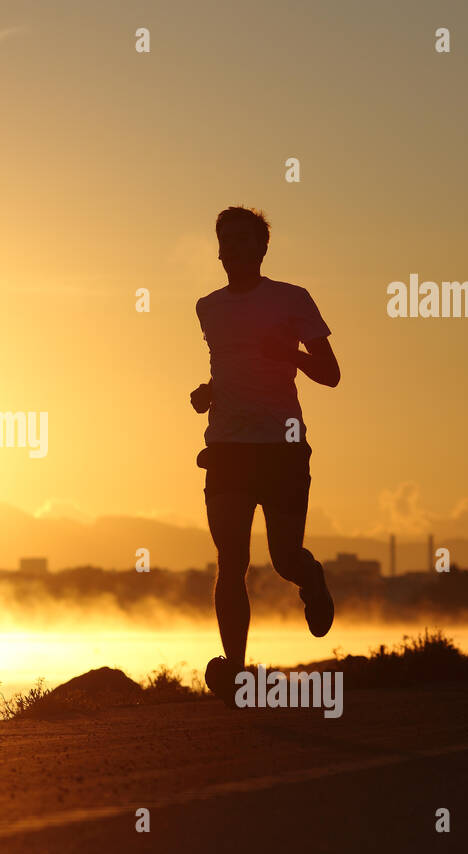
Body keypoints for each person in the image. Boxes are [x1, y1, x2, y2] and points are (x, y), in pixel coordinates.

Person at [191, 206, 340, 706]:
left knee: (284, 558)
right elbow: (231, 367)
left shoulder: (291, 299)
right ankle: (235, 669)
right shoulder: (207, 307)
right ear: (217, 249)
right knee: (231, 561)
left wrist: (289, 354)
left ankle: (311, 579)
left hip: (282, 447)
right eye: (224, 239)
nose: (231, 247)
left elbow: (330, 372)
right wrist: (209, 392)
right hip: (227, 447)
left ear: (261, 249)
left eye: (242, 239)